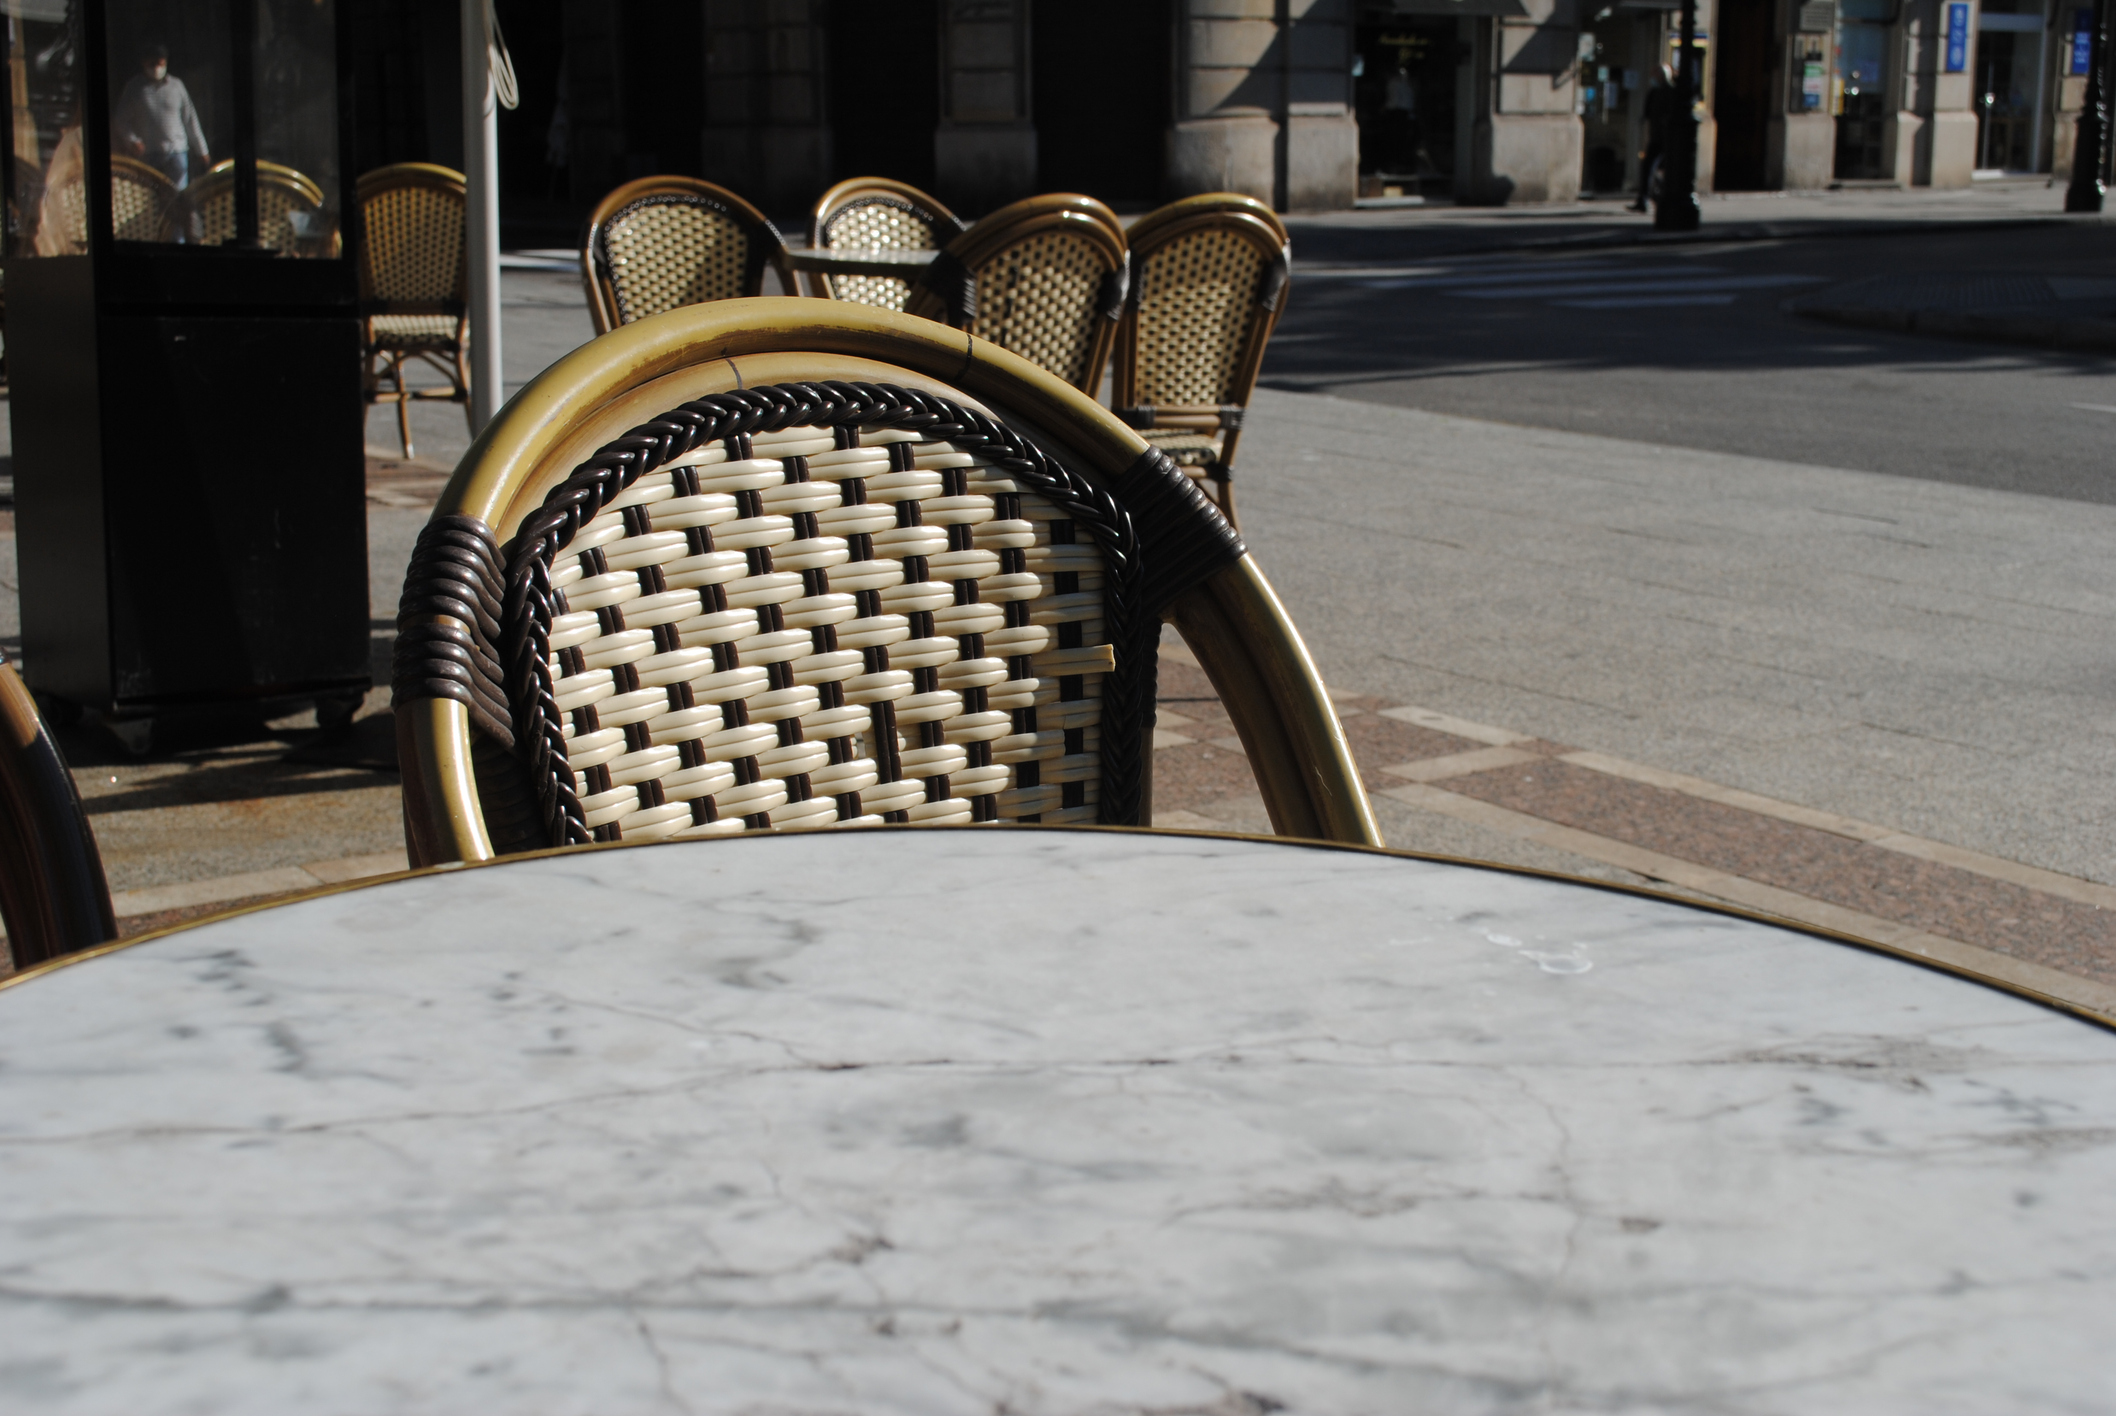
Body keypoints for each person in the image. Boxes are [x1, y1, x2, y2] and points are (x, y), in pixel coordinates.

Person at [112, 42, 209, 191]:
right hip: (149, 155)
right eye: (152, 63)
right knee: (150, 196)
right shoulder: (135, 88)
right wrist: (132, 140)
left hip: (176, 151)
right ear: (144, 63)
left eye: (160, 63)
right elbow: (121, 120)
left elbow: (190, 119)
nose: (157, 67)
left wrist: (202, 150)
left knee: (178, 196)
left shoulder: (176, 86)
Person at [1631, 64, 1676, 213]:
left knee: (1659, 169)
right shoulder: (1654, 92)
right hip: (1656, 137)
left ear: (1662, 75)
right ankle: (1644, 199)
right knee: (1648, 168)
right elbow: (1648, 113)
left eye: (1655, 74)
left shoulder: (1671, 92)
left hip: (1666, 138)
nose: (1653, 77)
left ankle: (1655, 198)